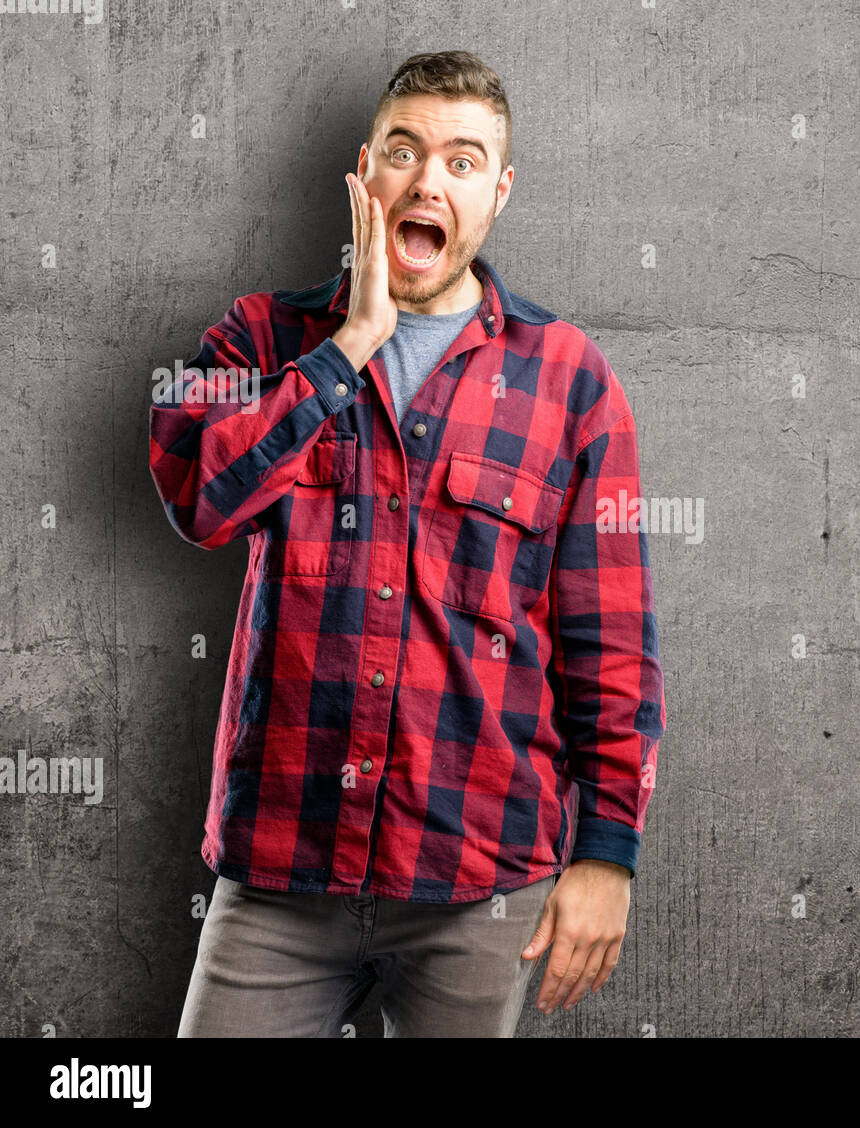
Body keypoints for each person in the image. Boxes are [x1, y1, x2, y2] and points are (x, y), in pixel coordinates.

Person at [148, 49, 667, 1037]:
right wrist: (344, 349)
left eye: (464, 161)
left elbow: (614, 645)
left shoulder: (570, 381)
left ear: (498, 192)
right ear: (364, 174)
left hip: (477, 884)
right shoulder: (257, 340)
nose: (431, 180)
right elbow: (198, 498)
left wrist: (605, 853)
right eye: (406, 152)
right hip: (281, 868)